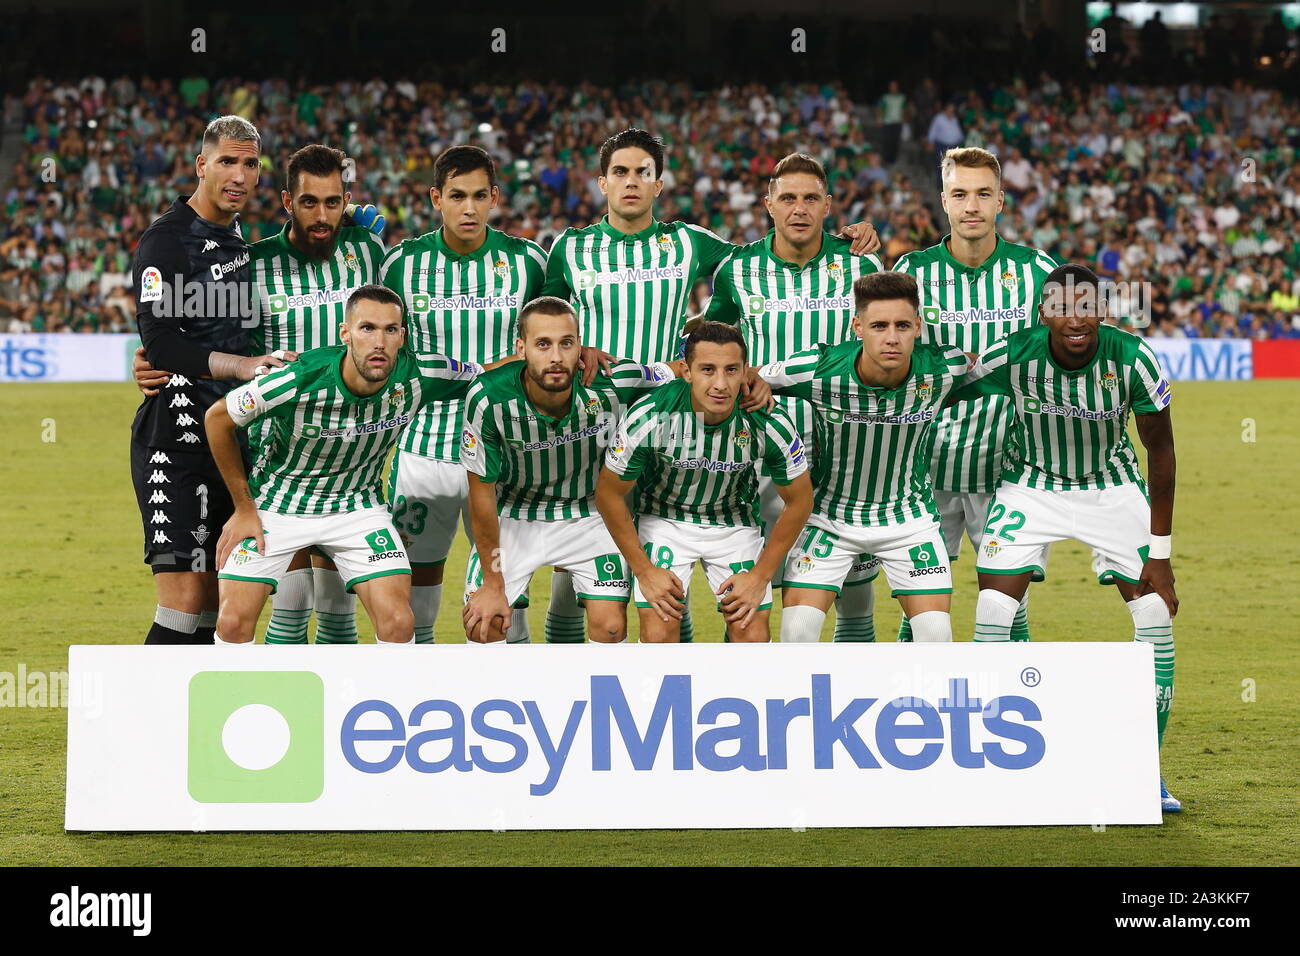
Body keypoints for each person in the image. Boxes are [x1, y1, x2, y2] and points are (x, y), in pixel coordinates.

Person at [542, 129, 879, 644]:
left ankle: (703, 665)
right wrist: (575, 346)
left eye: (643, 173)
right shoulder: (571, 247)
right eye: (620, 172)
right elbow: (543, 321)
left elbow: (755, 270)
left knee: (716, 571)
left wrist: (847, 236)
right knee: (580, 571)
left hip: (682, 421)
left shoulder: (693, 243)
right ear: (602, 182)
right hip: (593, 422)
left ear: (659, 184)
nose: (631, 182)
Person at [135, 143, 388, 646]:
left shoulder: (370, 251)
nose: (322, 215)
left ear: (346, 201)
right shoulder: (253, 262)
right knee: (282, 610)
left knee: (338, 614)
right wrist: (155, 356)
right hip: (276, 461)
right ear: (288, 202)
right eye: (309, 202)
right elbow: (209, 332)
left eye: (333, 202)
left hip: (353, 459)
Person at [957, 264, 1180, 812]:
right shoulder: (1015, 353)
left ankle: (1145, 769)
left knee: (1154, 614)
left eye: (1086, 306)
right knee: (992, 608)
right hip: (1030, 486)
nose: (1075, 318)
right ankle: (993, 761)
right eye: (1061, 307)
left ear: (1103, 310)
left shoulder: (1134, 358)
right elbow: (944, 385)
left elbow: (1161, 451)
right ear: (1043, 313)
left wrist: (1161, 554)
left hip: (1112, 488)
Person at [461, 297, 767, 643]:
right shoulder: (488, 398)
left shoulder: (613, 381)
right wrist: (493, 583)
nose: (556, 357)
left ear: (581, 345)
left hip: (589, 514)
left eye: (566, 343)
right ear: (521, 349)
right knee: (483, 625)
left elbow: (681, 369)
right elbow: (481, 495)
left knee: (610, 628)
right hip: (514, 515)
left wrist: (749, 374)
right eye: (543, 344)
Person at [205, 285, 484, 644]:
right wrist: (244, 509)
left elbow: (488, 374)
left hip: (358, 509)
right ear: (346, 333)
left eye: (390, 330)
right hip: (278, 506)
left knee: (399, 622)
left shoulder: (420, 374)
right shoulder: (300, 377)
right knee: (232, 623)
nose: (379, 342)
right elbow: (218, 419)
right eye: (367, 328)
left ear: (402, 337)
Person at [701, 152, 885, 642]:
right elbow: (710, 344)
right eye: (787, 199)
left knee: (853, 595)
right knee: (751, 596)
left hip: (845, 449)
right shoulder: (738, 269)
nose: (798, 209)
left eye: (810, 198)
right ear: (769, 205)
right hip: (761, 454)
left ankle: (852, 683)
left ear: (828, 205)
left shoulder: (860, 264)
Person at [129, 114, 286, 645]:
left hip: (229, 443)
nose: (239, 175)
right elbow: (160, 342)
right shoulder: (166, 241)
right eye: (227, 162)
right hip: (176, 444)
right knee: (182, 605)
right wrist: (241, 366)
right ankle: (141, 702)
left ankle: (189, 705)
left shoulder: (236, 238)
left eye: (250, 164)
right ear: (202, 165)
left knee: (217, 609)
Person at [380, 145, 546, 644]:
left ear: (494, 196)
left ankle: (512, 687)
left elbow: (551, 340)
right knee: (413, 601)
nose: (468, 208)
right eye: (456, 196)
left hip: (503, 453)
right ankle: (420, 687)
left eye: (478, 196)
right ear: (436, 198)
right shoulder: (401, 264)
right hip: (422, 452)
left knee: (505, 599)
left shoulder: (527, 262)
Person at [892, 147, 1058, 642]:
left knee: (1009, 609)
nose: (971, 205)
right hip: (925, 468)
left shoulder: (1037, 270)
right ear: (943, 200)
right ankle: (917, 694)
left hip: (1010, 469)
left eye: (983, 194)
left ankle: (1012, 691)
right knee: (919, 615)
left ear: (1000, 201)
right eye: (960, 194)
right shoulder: (912, 271)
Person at [759, 271, 971, 644]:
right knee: (797, 633)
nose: (892, 337)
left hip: (909, 521)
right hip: (829, 520)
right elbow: (749, 378)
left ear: (918, 327)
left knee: (937, 636)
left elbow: (998, 366)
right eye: (879, 326)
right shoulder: (818, 367)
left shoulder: (945, 367)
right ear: (858, 326)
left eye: (902, 325)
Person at [596, 321, 811, 642]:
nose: (721, 384)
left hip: (734, 521)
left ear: (746, 371)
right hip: (663, 517)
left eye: (731, 370)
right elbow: (608, 493)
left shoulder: (769, 420)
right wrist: (645, 571)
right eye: (708, 370)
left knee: (751, 634)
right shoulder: (651, 415)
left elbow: (800, 500)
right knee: (659, 631)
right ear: (686, 371)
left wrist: (759, 577)